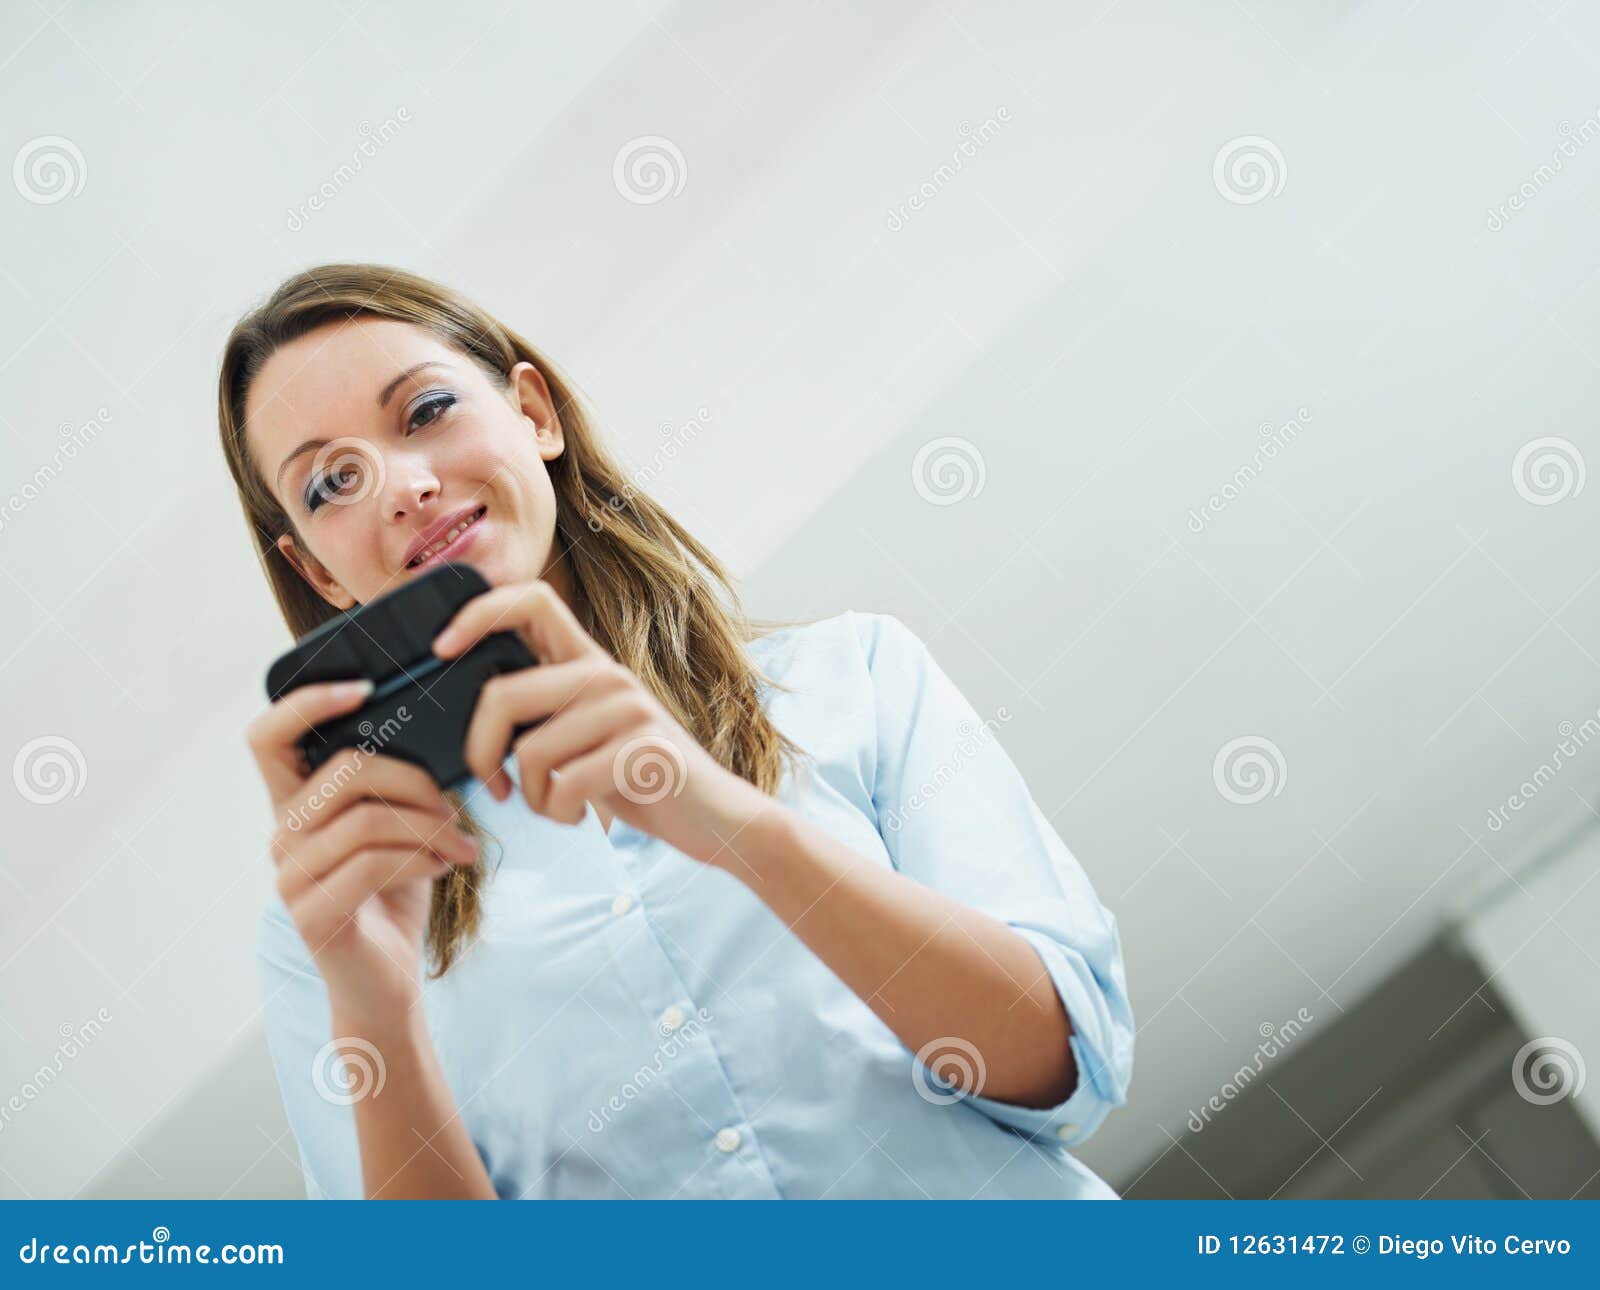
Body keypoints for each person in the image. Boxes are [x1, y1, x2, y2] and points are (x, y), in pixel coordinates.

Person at [217, 262, 1134, 1199]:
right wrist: (378, 1015)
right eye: (332, 482)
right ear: (318, 572)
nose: (401, 487)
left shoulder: (851, 678)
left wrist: (736, 827)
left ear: (534, 413)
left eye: (426, 412)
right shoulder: (331, 922)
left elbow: (1068, 1072)